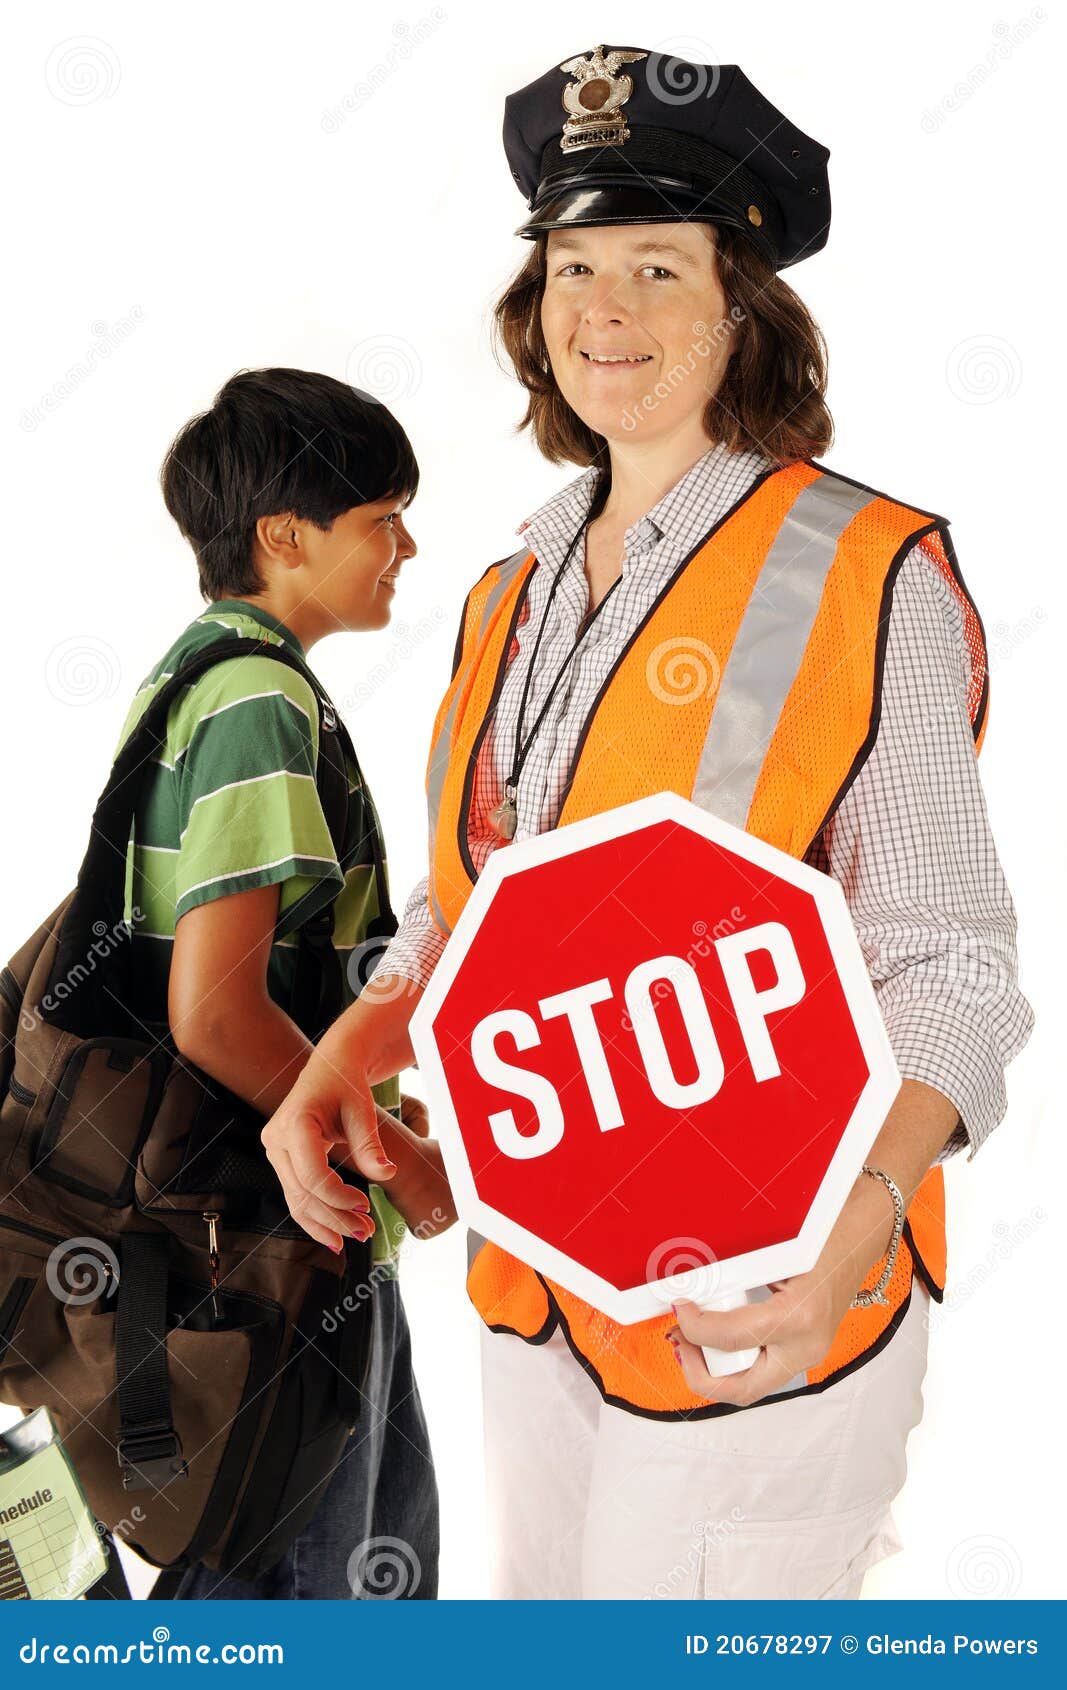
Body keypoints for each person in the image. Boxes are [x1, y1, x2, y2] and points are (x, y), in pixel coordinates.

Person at [260, 52, 1034, 1599]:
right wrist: (338, 1062)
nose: (601, 310)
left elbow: (952, 969)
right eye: (571, 268)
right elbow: (473, 909)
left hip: (771, 1286)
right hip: (536, 1281)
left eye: (655, 267)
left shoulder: (865, 570)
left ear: (736, 307)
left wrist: (855, 1232)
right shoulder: (510, 592)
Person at [116, 367, 450, 1598]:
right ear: (282, 535)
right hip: (275, 1248)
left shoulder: (200, 676)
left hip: (268, 1243)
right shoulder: (257, 697)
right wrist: (377, 1147)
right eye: (383, 517)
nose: (406, 546)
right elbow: (212, 1010)